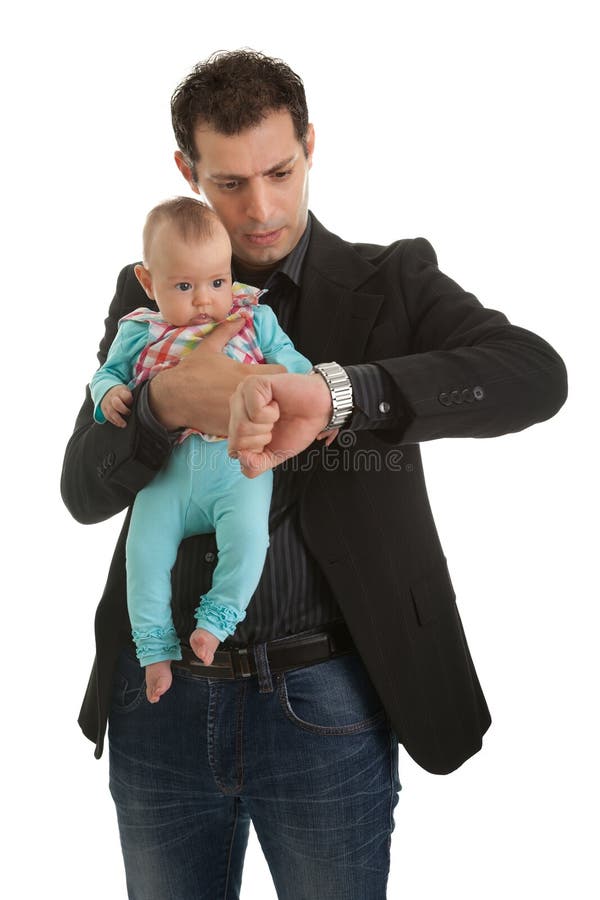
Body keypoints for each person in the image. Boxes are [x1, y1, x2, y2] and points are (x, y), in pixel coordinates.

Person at [61, 50, 568, 899]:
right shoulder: (151, 294)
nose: (260, 210)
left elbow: (535, 375)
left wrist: (340, 393)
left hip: (328, 697)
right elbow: (82, 489)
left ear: (310, 147)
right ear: (187, 171)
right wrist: (162, 404)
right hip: (157, 698)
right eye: (228, 183)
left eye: (280, 172)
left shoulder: (391, 279)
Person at [89, 196, 315, 703]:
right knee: (142, 555)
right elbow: (105, 376)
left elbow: (294, 364)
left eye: (217, 282)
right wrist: (110, 393)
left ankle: (215, 622)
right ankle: (154, 650)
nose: (205, 301)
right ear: (148, 282)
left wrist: (290, 385)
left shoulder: (252, 316)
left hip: (236, 467)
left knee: (249, 540)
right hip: (166, 473)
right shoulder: (139, 329)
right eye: (184, 286)